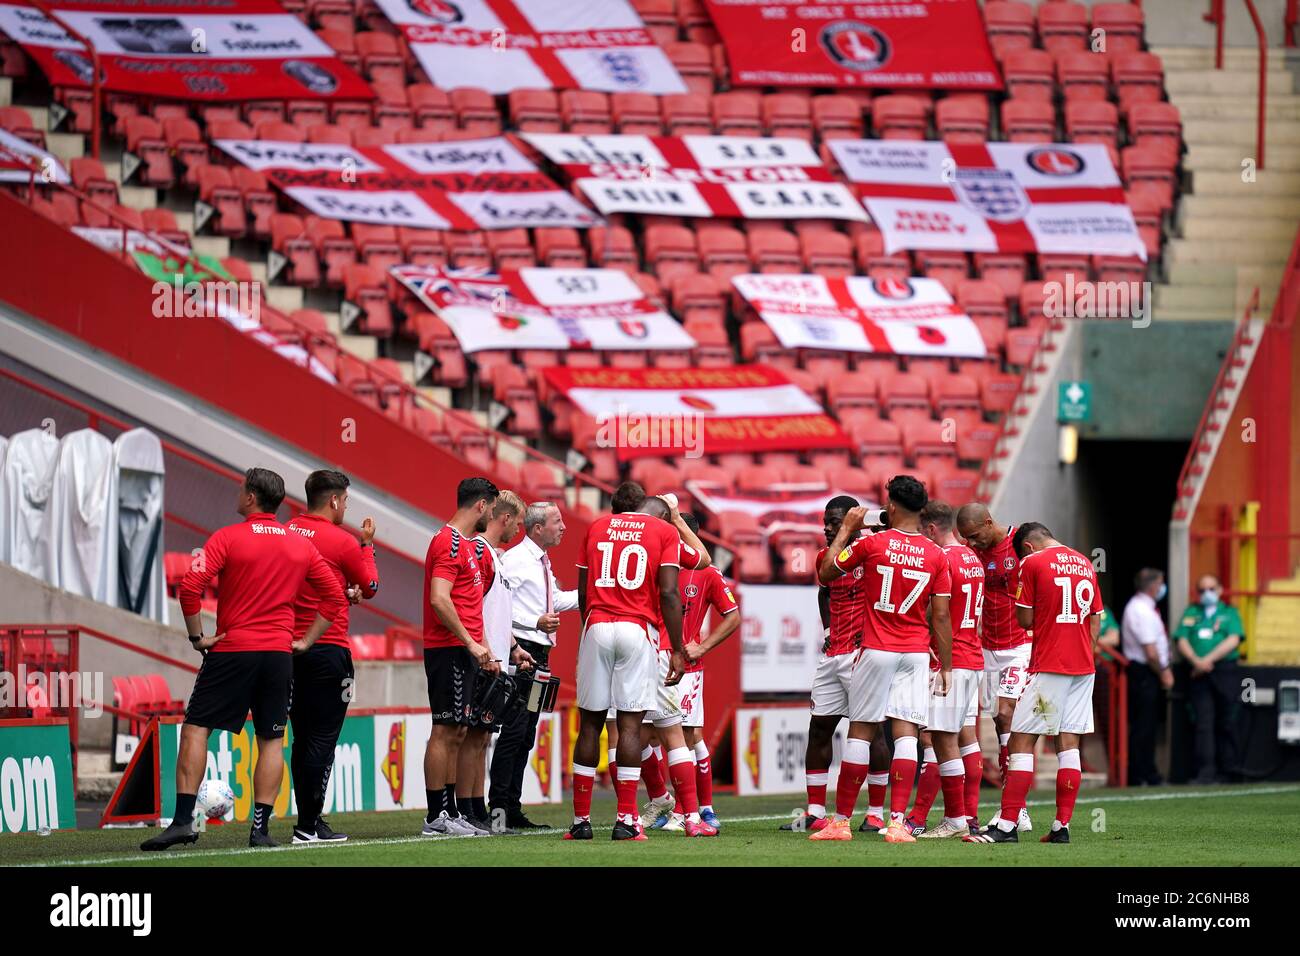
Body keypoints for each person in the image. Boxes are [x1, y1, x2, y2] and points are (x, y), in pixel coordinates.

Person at [141, 467, 346, 851]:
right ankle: (260, 831)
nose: (238, 494)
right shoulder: (299, 544)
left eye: (241, 489)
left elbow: (190, 588)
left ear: (251, 497)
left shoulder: (227, 538)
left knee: (197, 728)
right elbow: (335, 597)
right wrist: (304, 641)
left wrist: (197, 637)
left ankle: (184, 822)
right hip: (278, 654)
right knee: (270, 739)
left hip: (233, 649)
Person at [811, 475, 953, 845]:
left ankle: (840, 822)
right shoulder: (937, 555)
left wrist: (846, 530)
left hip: (876, 649)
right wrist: (947, 665)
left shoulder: (873, 543)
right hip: (916, 652)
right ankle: (896, 824)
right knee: (906, 733)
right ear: (922, 509)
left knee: (862, 730)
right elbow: (940, 616)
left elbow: (827, 574)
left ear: (890, 505)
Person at [967, 522, 1099, 844]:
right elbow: (1095, 617)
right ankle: (1060, 827)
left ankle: (1008, 825)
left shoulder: (1032, 563)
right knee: (1069, 745)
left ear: (1026, 547)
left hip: (1050, 664)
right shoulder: (1084, 562)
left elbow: (1024, 620)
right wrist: (1084, 651)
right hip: (1083, 667)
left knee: (1020, 741)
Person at [568, 495, 689, 841]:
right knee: (630, 725)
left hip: (597, 623)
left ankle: (580, 823)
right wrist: (677, 650)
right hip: (637, 629)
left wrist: (588, 631)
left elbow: (582, 590)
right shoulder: (664, 533)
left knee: (590, 724)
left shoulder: (598, 526)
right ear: (664, 517)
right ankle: (626, 820)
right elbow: (668, 593)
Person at [285, 469, 379, 844]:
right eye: (346, 502)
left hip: (288, 649)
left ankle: (306, 820)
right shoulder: (342, 541)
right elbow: (370, 586)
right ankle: (309, 825)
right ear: (335, 500)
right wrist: (367, 545)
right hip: (329, 649)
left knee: (299, 737)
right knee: (322, 740)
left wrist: (343, 590)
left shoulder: (287, 530)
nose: (346, 508)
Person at [648, 510, 740, 832]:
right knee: (647, 734)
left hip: (686, 667)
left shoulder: (707, 573)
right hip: (651, 658)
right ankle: (672, 805)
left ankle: (698, 810)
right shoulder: (655, 563)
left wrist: (702, 647)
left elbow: (733, 616)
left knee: (687, 735)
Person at [781, 495, 867, 833]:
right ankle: (815, 812)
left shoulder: (872, 550)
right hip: (833, 655)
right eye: (825, 522)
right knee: (819, 728)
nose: (828, 528)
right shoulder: (825, 558)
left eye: (834, 522)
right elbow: (824, 591)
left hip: (864, 654)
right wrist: (829, 629)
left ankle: (875, 813)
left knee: (868, 732)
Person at [420, 477, 500, 838]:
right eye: (492, 509)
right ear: (481, 505)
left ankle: (450, 810)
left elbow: (471, 606)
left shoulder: (468, 546)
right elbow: (440, 598)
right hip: (447, 649)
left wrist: (486, 649)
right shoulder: (448, 542)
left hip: (465, 649)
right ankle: (435, 815)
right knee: (444, 728)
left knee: (459, 730)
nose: (493, 517)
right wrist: (470, 643)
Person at [489, 499, 574, 829]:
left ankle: (511, 807)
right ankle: (499, 808)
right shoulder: (515, 561)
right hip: (522, 652)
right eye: (557, 521)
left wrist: (596, 590)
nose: (563, 526)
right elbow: (500, 604)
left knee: (525, 734)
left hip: (539, 655)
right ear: (538, 528)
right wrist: (534, 621)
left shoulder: (540, 561)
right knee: (514, 730)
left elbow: (555, 600)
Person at [905, 500, 985, 840]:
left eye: (923, 532)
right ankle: (968, 814)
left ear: (932, 529)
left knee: (941, 739)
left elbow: (937, 613)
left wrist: (943, 665)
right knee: (964, 737)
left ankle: (954, 819)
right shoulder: (973, 559)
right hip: (973, 657)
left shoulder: (942, 559)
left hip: (950, 662)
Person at [955, 502, 1034, 832]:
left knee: (1007, 714)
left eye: (975, 536)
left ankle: (1017, 809)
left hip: (1019, 646)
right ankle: (1015, 808)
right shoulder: (972, 554)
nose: (972, 544)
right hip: (987, 647)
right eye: (966, 539)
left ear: (989, 523)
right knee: (998, 723)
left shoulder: (1018, 544)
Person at [471, 490, 535, 833]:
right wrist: (486, 649)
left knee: (481, 738)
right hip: (483, 659)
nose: (518, 530)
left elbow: (497, 610)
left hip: (497, 657)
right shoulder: (481, 552)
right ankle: (463, 810)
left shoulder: (495, 556)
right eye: (518, 522)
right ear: (506, 518)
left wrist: (512, 647)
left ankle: (474, 811)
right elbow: (473, 607)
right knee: (469, 736)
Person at [1173, 574, 1244, 784]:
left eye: (1211, 589)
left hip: (1224, 671)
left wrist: (1206, 661)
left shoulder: (1230, 613)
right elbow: (1182, 638)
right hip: (1197, 673)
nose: (1207, 594)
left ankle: (1230, 770)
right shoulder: (1191, 612)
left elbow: (1233, 639)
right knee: (1203, 722)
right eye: (1202, 590)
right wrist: (1196, 661)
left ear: (1220, 590)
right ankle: (1205, 772)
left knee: (1228, 720)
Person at [1122, 567, 1173, 786]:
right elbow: (1150, 650)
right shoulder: (1140, 610)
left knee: (1146, 724)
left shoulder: (1145, 608)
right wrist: (1163, 672)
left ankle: (1145, 771)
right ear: (1154, 586)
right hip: (1144, 672)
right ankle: (1142, 773)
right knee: (1143, 726)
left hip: (1147, 671)